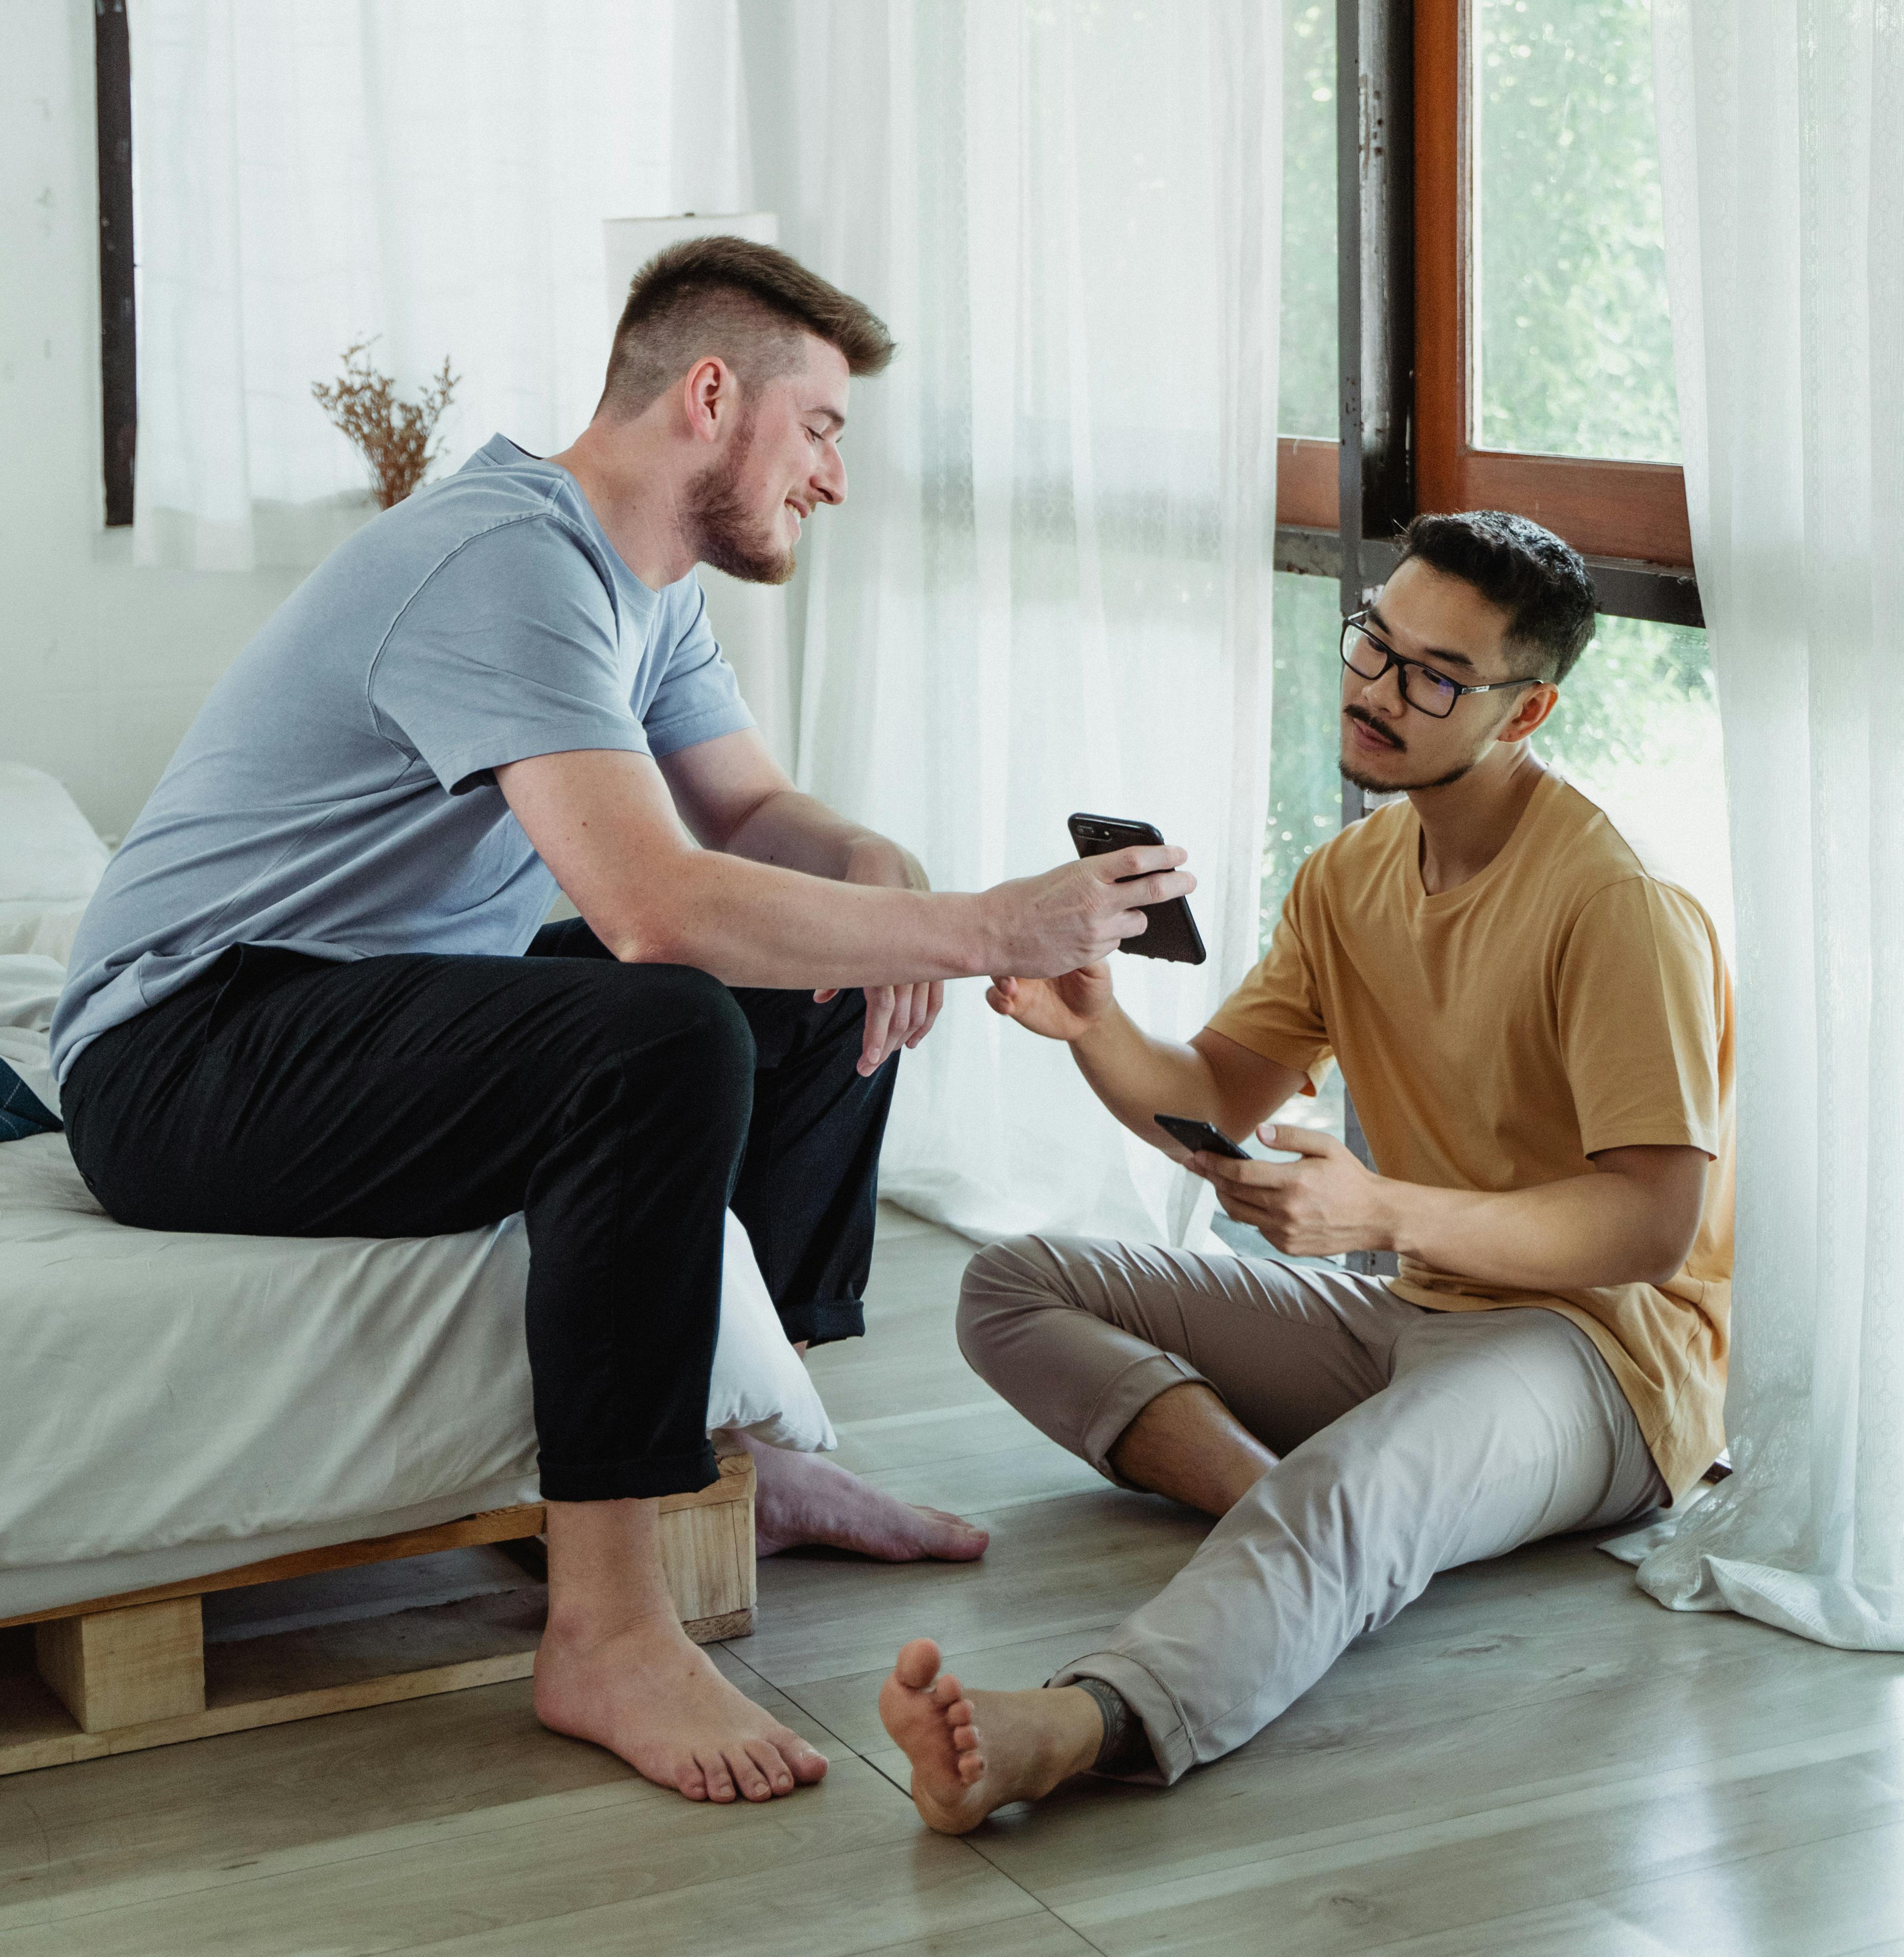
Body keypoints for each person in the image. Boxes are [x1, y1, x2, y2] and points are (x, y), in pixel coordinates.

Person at [52, 236, 1194, 1809]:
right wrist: (990, 925)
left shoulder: (642, 591)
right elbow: (655, 906)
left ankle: (758, 1444)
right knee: (662, 1025)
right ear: (710, 398)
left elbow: (754, 815)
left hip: (334, 1011)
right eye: (819, 429)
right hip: (183, 1056)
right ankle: (602, 1627)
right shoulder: (503, 563)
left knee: (804, 982)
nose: (832, 478)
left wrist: (875, 867)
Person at [878, 510, 1733, 1828]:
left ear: (1525, 712)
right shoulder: (1349, 875)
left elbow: (1651, 1225)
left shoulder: (1616, 904)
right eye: (1373, 644)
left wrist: (1379, 1208)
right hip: (1415, 1311)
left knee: (1362, 1483)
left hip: (1603, 1360)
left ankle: (1083, 1721)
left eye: (1434, 677)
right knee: (1012, 1284)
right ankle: (1269, 1504)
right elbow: (1215, 1095)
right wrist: (1094, 1024)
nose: (1376, 690)